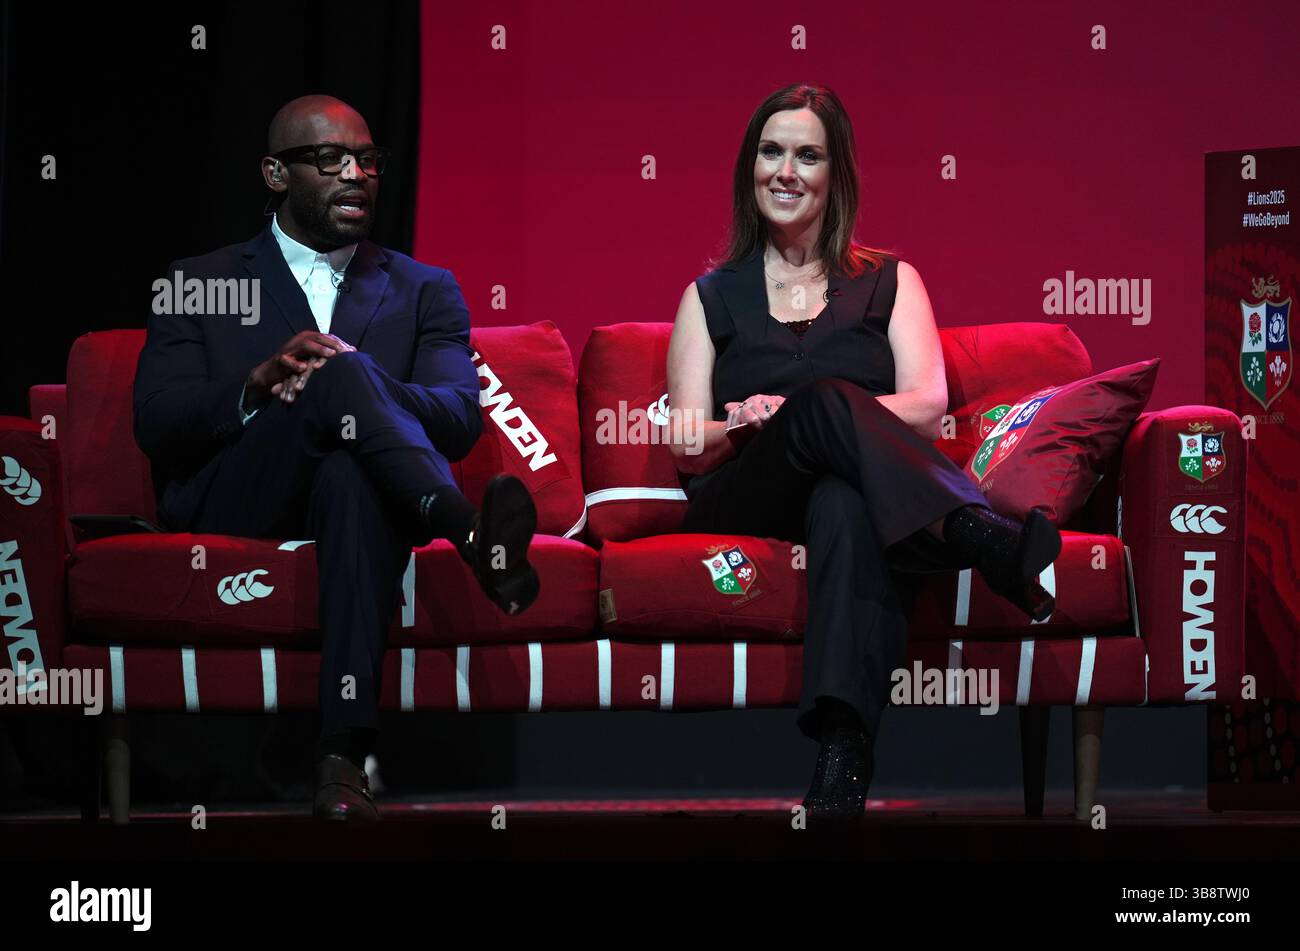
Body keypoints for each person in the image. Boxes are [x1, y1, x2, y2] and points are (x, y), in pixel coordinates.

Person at [133, 95, 540, 823]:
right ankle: (468, 530)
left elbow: (457, 417)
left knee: (350, 467)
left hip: (358, 496)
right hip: (241, 493)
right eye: (330, 160)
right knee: (337, 378)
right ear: (275, 172)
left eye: (368, 161)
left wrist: (358, 383)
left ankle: (340, 760)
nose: (356, 174)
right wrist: (258, 382)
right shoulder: (201, 279)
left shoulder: (423, 288)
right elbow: (158, 421)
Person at [666, 84, 1061, 822]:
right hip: (749, 490)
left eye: (807, 155)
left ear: (834, 174)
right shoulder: (711, 295)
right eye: (771, 151)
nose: (785, 171)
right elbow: (687, 442)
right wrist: (748, 425)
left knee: (843, 498)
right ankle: (978, 535)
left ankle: (842, 759)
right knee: (821, 403)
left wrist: (818, 413)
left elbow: (927, 404)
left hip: (850, 495)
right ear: (750, 167)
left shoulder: (890, 281)